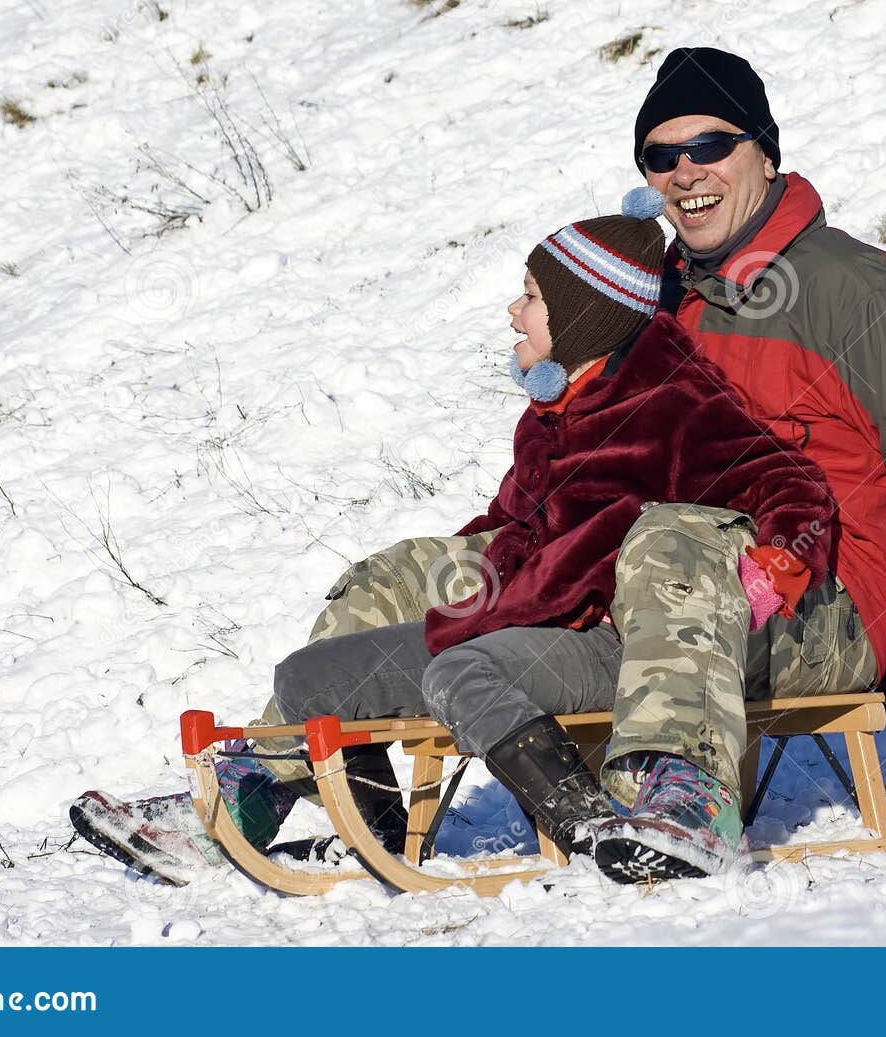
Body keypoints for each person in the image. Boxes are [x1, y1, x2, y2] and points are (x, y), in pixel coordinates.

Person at [68, 187, 837, 884]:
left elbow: (789, 482)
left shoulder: (674, 402)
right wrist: (462, 568)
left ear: (582, 314)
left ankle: (683, 797)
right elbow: (514, 525)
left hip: (595, 630)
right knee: (390, 575)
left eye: (532, 297)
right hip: (532, 600)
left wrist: (774, 565)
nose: (513, 311)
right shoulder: (556, 412)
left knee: (656, 543)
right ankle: (267, 799)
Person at [582, 46, 886, 882]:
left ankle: (687, 801)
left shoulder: (850, 288)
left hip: (832, 603)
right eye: (660, 156)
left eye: (709, 146)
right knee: (473, 562)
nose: (684, 172)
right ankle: (316, 769)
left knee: (674, 542)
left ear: (766, 153)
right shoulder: (653, 299)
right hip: (677, 595)